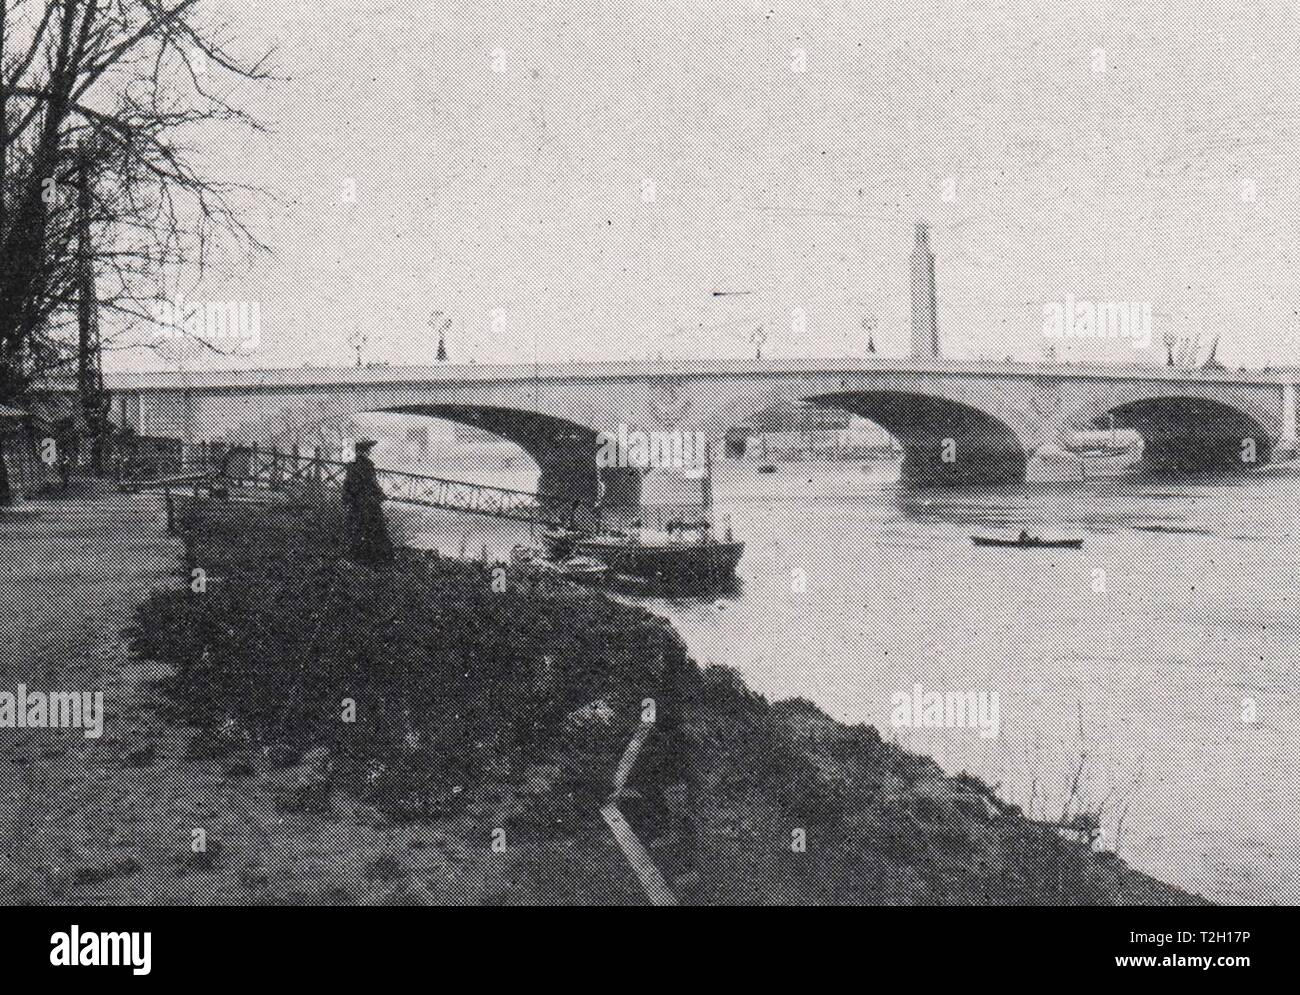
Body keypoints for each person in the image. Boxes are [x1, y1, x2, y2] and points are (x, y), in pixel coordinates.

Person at [342, 439, 393, 566]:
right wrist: (380, 495)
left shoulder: (351, 465)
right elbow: (371, 483)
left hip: (356, 502)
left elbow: (347, 485)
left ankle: (357, 557)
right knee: (373, 528)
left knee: (356, 529)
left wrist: (347, 498)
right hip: (368, 502)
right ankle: (376, 559)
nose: (369, 452)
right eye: (368, 450)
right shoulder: (367, 465)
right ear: (364, 451)